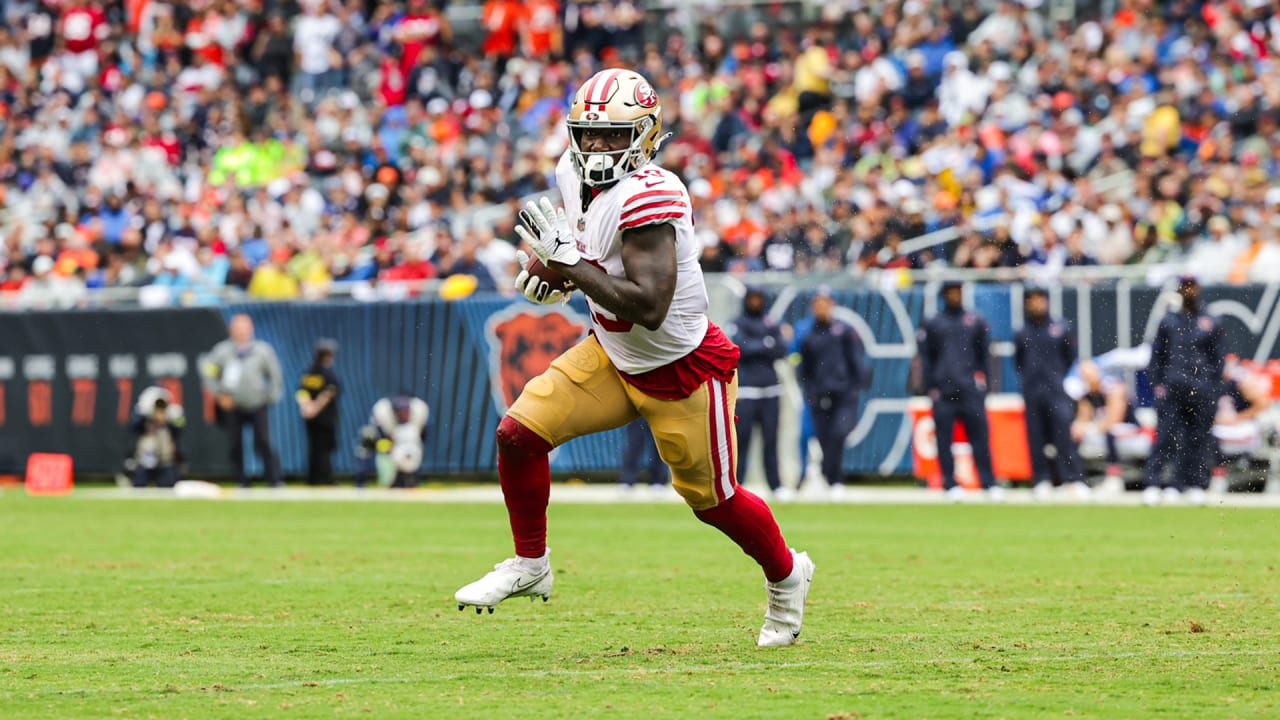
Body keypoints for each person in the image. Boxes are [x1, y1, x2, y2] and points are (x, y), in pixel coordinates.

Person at [454, 69, 814, 647]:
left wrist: (568, 265)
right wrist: (554, 275)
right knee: (517, 435)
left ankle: (787, 575)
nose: (595, 147)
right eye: (587, 134)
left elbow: (648, 305)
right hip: (611, 356)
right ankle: (531, 562)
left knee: (713, 501)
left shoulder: (653, 192)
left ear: (646, 135)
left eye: (612, 135)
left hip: (682, 371)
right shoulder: (569, 174)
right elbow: (592, 260)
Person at [1143, 275, 1227, 506]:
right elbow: (1157, 357)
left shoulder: (1211, 321)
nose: (1189, 291)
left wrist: (1212, 388)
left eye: (1192, 287)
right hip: (1173, 388)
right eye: (1185, 287)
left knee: (1198, 438)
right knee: (1166, 435)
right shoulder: (1169, 321)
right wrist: (1157, 385)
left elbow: (1218, 360)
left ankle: (1195, 483)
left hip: (1201, 390)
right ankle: (1156, 483)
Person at [917, 281, 1003, 501]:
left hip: (970, 390)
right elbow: (926, 358)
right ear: (945, 294)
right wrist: (930, 386)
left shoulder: (975, 320)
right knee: (945, 439)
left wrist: (986, 386)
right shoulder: (934, 322)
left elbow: (985, 355)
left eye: (958, 291)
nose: (955, 295)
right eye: (951, 292)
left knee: (980, 438)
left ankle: (988, 482)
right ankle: (950, 483)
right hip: (943, 391)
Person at [1014, 286, 1090, 501]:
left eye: (1040, 299)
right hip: (1032, 391)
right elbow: (1019, 362)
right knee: (1035, 437)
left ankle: (1073, 479)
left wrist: (1056, 380)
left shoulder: (1060, 328)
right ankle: (1041, 480)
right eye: (1032, 300)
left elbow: (1069, 358)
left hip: (1056, 391)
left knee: (1063, 437)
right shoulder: (1022, 331)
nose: (1037, 304)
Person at [796, 286, 868, 500]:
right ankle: (829, 477)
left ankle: (835, 478)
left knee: (838, 433)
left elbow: (857, 362)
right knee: (824, 438)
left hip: (843, 394)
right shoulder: (808, 336)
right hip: (819, 395)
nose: (821, 307)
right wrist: (809, 390)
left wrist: (854, 386)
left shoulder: (844, 331)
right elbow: (804, 368)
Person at [202, 314, 285, 488]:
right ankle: (241, 480)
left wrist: (269, 397)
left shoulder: (262, 350)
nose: (240, 331)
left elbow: (275, 375)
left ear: (251, 329)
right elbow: (208, 372)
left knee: (263, 442)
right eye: (237, 327)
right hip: (233, 405)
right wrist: (220, 395)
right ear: (231, 329)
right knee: (235, 444)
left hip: (257, 404)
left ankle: (274, 479)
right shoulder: (222, 351)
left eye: (244, 327)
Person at [729, 286, 790, 500]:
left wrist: (759, 346)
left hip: (770, 392)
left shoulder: (771, 322)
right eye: (752, 298)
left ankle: (776, 486)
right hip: (746, 391)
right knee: (741, 442)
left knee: (771, 441)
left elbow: (782, 349)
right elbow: (739, 348)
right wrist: (765, 344)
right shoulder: (738, 322)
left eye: (759, 298)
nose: (756, 302)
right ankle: (736, 486)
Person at [1069, 358, 1148, 494]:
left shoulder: (1114, 388)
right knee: (1076, 434)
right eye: (1084, 377)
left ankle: (1114, 477)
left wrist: (1090, 428)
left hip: (1129, 429)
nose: (1087, 380)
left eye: (1089, 376)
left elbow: (1113, 420)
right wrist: (1078, 428)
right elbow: (1082, 419)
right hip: (1104, 430)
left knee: (1110, 432)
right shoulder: (1087, 395)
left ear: (1098, 373)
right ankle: (1076, 479)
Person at [1210, 357, 1272, 496]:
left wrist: (1238, 418)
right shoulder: (1208, 380)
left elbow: (1263, 403)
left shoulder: (1240, 381)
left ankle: (1239, 467)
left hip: (1240, 427)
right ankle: (1213, 475)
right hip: (1218, 428)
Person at [354, 393, 430, 488]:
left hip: (406, 442)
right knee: (367, 440)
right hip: (383, 439)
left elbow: (423, 435)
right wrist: (390, 446)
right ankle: (361, 482)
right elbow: (381, 434)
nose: (404, 415)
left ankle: (411, 480)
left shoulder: (419, 410)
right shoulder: (382, 410)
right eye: (401, 412)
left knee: (414, 451)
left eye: (406, 412)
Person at [296, 338, 341, 485]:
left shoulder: (309, 372)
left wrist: (306, 407)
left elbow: (301, 392)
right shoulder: (327, 373)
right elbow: (329, 392)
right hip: (324, 417)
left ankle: (313, 479)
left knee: (313, 446)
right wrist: (314, 408)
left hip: (311, 417)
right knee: (325, 448)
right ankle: (326, 478)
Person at [127, 386, 185, 488]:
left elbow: (179, 429)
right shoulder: (144, 416)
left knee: (168, 486)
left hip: (165, 460)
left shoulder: (170, 416)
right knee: (139, 486)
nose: (159, 408)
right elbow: (134, 427)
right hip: (146, 458)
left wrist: (168, 420)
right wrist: (148, 416)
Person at [618, 418, 670, 494]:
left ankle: (658, 481)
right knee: (634, 443)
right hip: (638, 412)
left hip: (659, 410)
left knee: (659, 444)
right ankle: (627, 481)